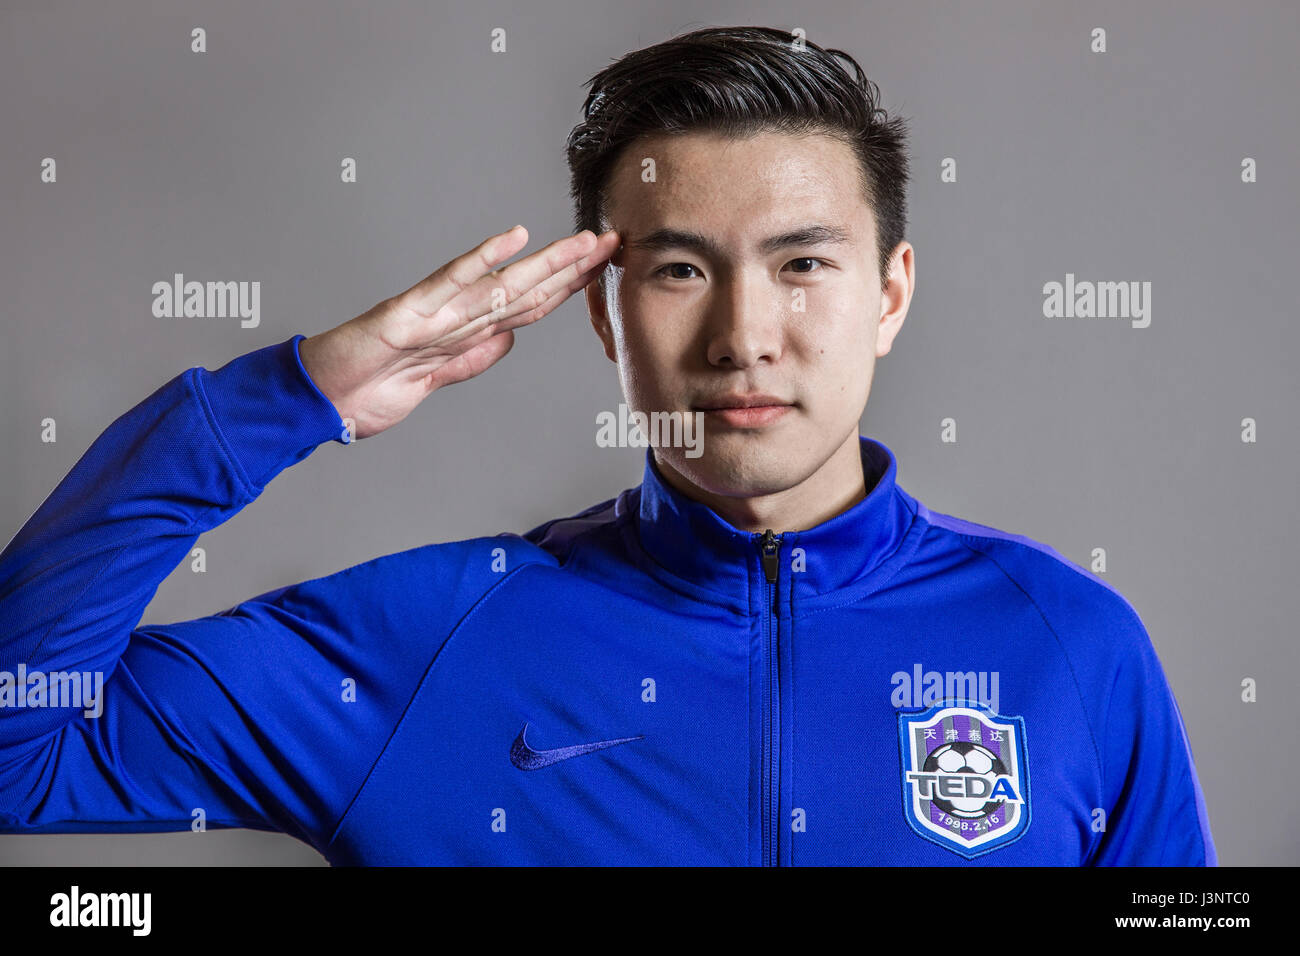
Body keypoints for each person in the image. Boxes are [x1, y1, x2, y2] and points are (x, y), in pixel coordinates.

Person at [0, 25, 1213, 865]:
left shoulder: (1068, 643)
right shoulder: (432, 640)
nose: (744, 336)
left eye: (803, 264)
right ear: (601, 311)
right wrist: (296, 393)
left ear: (890, 292)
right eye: (681, 268)